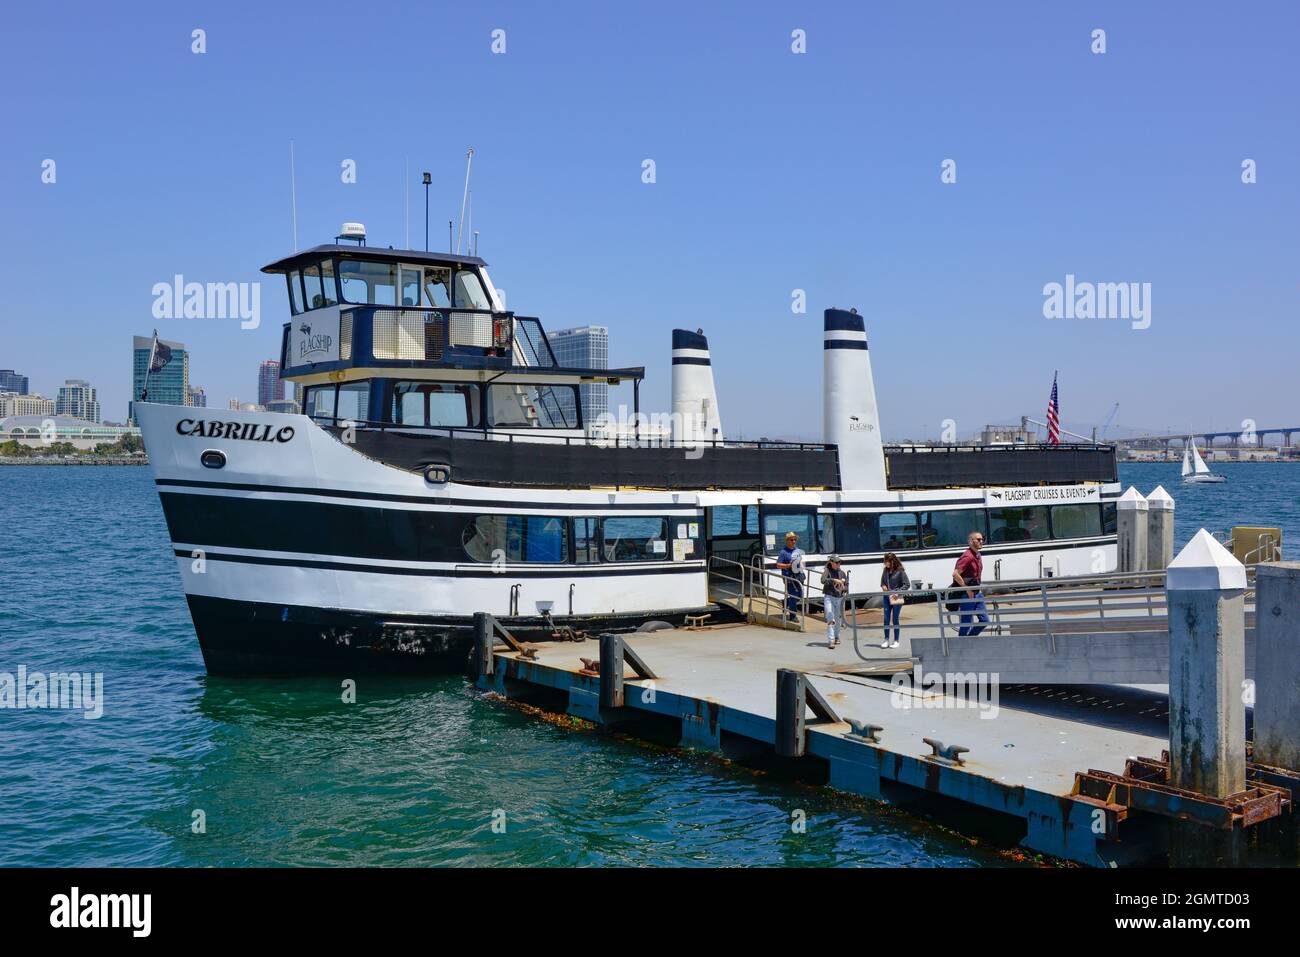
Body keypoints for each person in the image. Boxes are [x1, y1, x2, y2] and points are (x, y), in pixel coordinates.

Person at [953, 531, 989, 637]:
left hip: (977, 592)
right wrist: (967, 589)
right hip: (967, 594)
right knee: (966, 623)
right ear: (970, 541)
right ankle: (962, 645)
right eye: (978, 539)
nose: (981, 541)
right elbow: (955, 574)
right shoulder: (968, 556)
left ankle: (969, 640)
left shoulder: (977, 555)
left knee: (985, 620)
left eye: (982, 539)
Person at [879, 552, 909, 649]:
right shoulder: (885, 570)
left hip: (896, 598)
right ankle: (886, 639)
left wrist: (898, 593)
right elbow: (882, 582)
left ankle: (896, 640)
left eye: (887, 562)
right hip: (887, 597)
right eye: (885, 562)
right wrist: (883, 586)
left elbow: (907, 584)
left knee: (895, 619)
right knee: (886, 619)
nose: (885, 564)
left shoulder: (900, 571)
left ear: (892, 561)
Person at [776, 531, 805, 622]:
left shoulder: (797, 550)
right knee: (793, 595)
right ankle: (793, 616)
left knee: (799, 595)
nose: (794, 541)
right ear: (787, 541)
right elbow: (778, 565)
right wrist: (788, 565)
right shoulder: (783, 552)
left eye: (795, 540)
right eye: (792, 540)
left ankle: (786, 602)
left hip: (798, 575)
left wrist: (802, 567)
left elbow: (800, 561)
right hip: (788, 576)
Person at [820, 554, 848, 648]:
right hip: (829, 597)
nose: (838, 564)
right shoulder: (827, 571)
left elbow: (847, 585)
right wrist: (834, 580)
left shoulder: (842, 573)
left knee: (838, 619)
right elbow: (823, 580)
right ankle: (831, 640)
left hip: (839, 598)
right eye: (836, 562)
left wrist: (844, 588)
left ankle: (837, 637)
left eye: (839, 562)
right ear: (831, 562)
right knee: (830, 618)